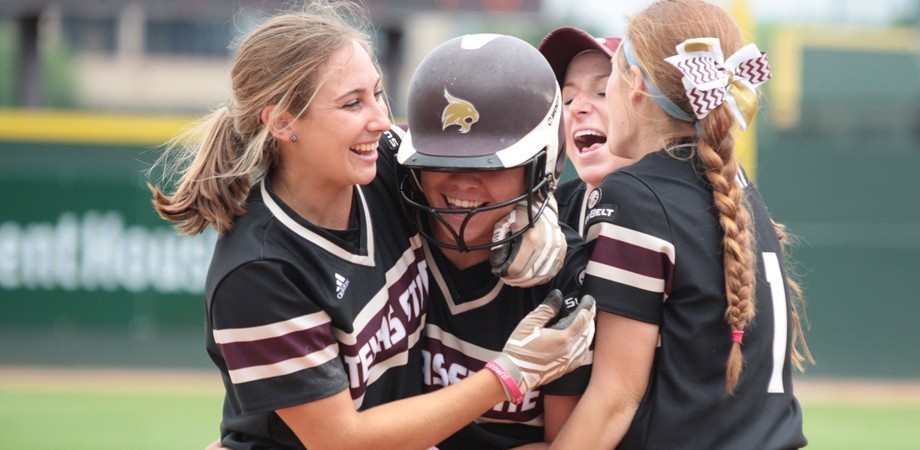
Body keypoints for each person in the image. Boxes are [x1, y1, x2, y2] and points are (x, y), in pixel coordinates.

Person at [147, 2, 594, 449]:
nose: (380, 119)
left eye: (377, 93)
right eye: (352, 103)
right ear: (283, 122)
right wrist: (507, 375)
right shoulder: (259, 270)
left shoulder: (385, 165)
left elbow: (470, 151)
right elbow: (341, 440)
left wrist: (538, 206)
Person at [551, 1, 813, 449]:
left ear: (633, 84)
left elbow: (615, 398)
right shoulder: (738, 189)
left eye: (606, 81)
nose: (585, 105)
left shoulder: (635, 196)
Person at [396, 33, 594, 450]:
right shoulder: (390, 219)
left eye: (492, 164)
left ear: (541, 166)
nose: (463, 181)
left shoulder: (564, 271)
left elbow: (565, 442)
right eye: (441, 160)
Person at [537, 27, 633, 233]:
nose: (577, 108)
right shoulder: (545, 213)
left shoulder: (674, 206)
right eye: (568, 99)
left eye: (602, 92)